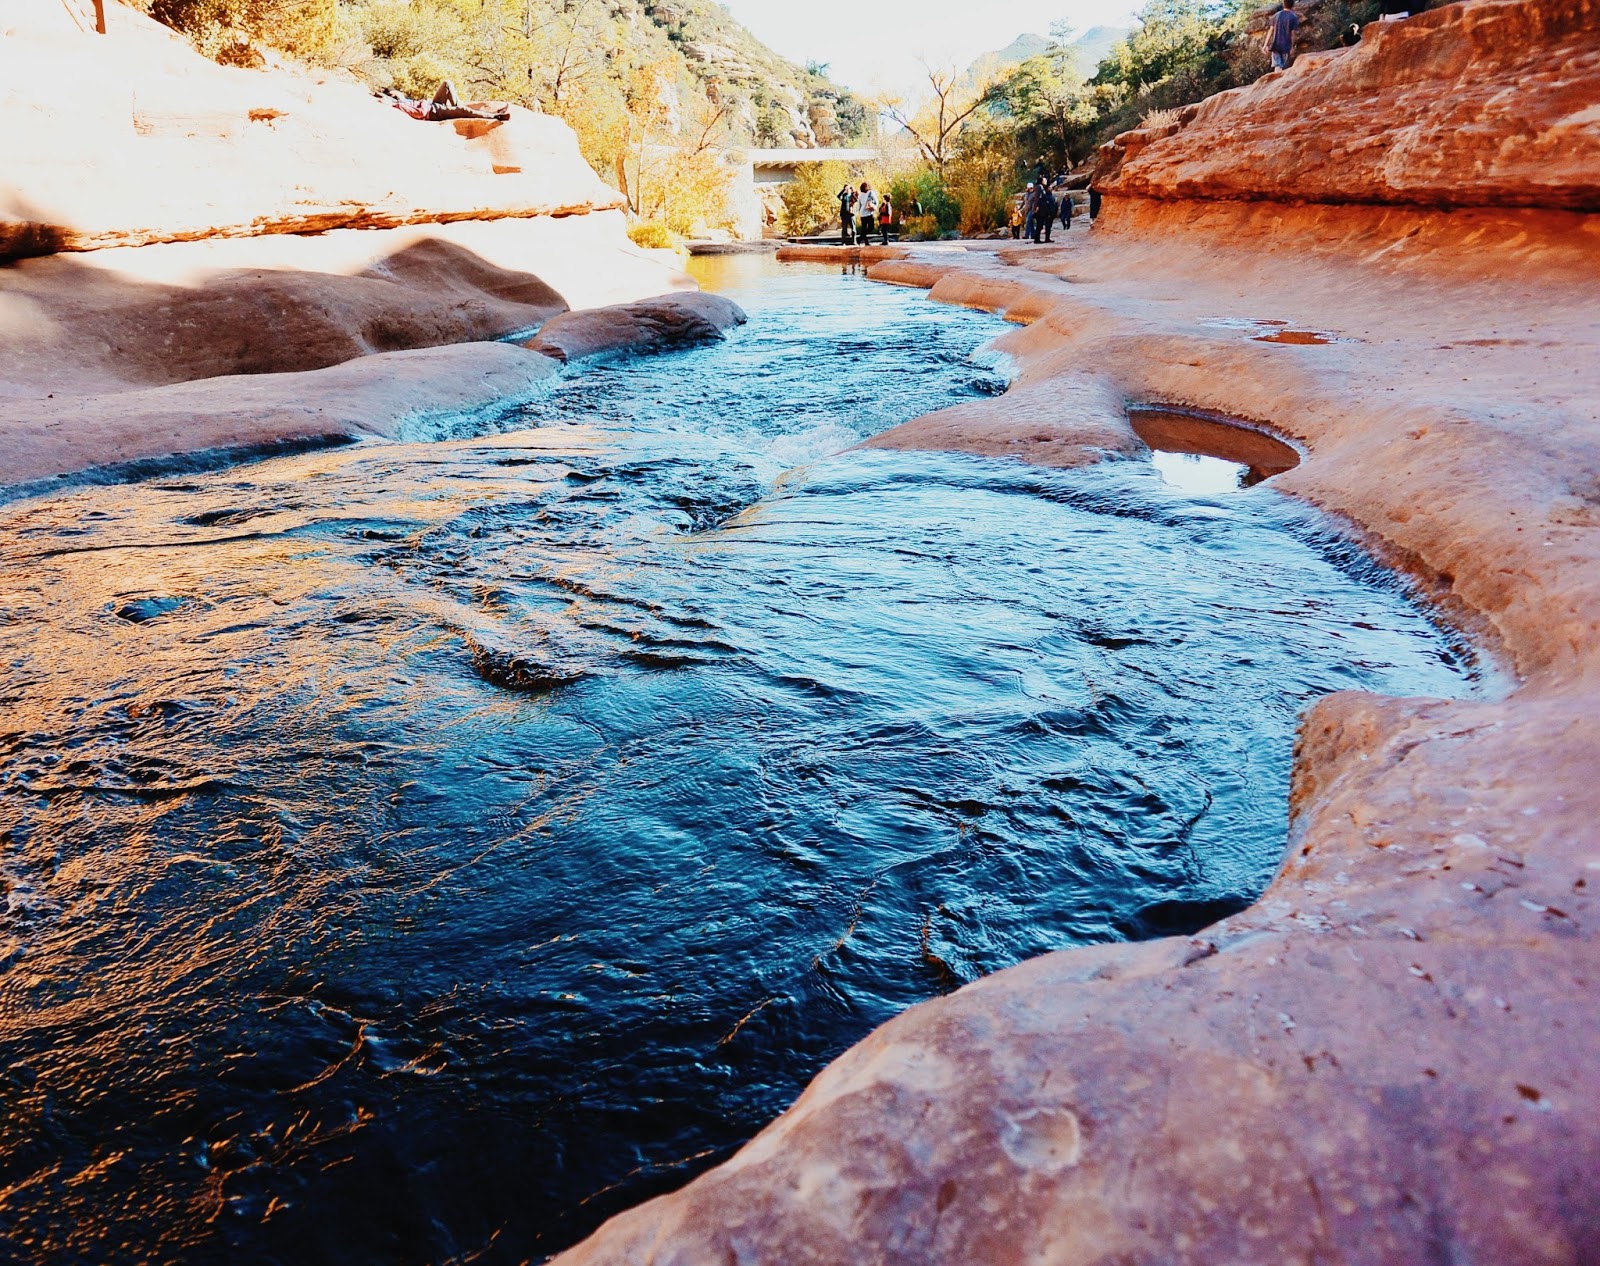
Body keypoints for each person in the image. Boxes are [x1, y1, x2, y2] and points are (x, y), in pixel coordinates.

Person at [1265, 0, 1299, 72]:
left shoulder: (1276, 15)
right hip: (1286, 46)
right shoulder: (1293, 17)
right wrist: (1292, 47)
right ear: (1293, 5)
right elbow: (1293, 34)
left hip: (1275, 45)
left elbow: (1270, 30)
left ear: (1283, 4)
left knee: (1277, 66)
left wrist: (1265, 45)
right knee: (1283, 67)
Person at [856, 182, 879, 247]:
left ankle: (865, 242)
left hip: (862, 213)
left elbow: (859, 204)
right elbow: (876, 201)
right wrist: (874, 206)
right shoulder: (871, 192)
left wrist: (859, 212)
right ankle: (860, 238)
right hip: (868, 212)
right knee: (871, 227)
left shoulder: (860, 195)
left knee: (864, 228)